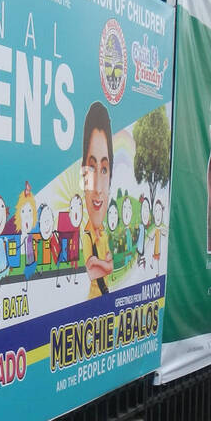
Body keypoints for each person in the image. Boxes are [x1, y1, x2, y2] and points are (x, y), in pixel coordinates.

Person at [81, 102, 115, 298]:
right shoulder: (85, 234)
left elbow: (108, 268)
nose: (99, 189)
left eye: (103, 170)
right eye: (91, 168)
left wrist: (100, 263)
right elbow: (92, 271)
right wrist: (105, 264)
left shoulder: (102, 233)